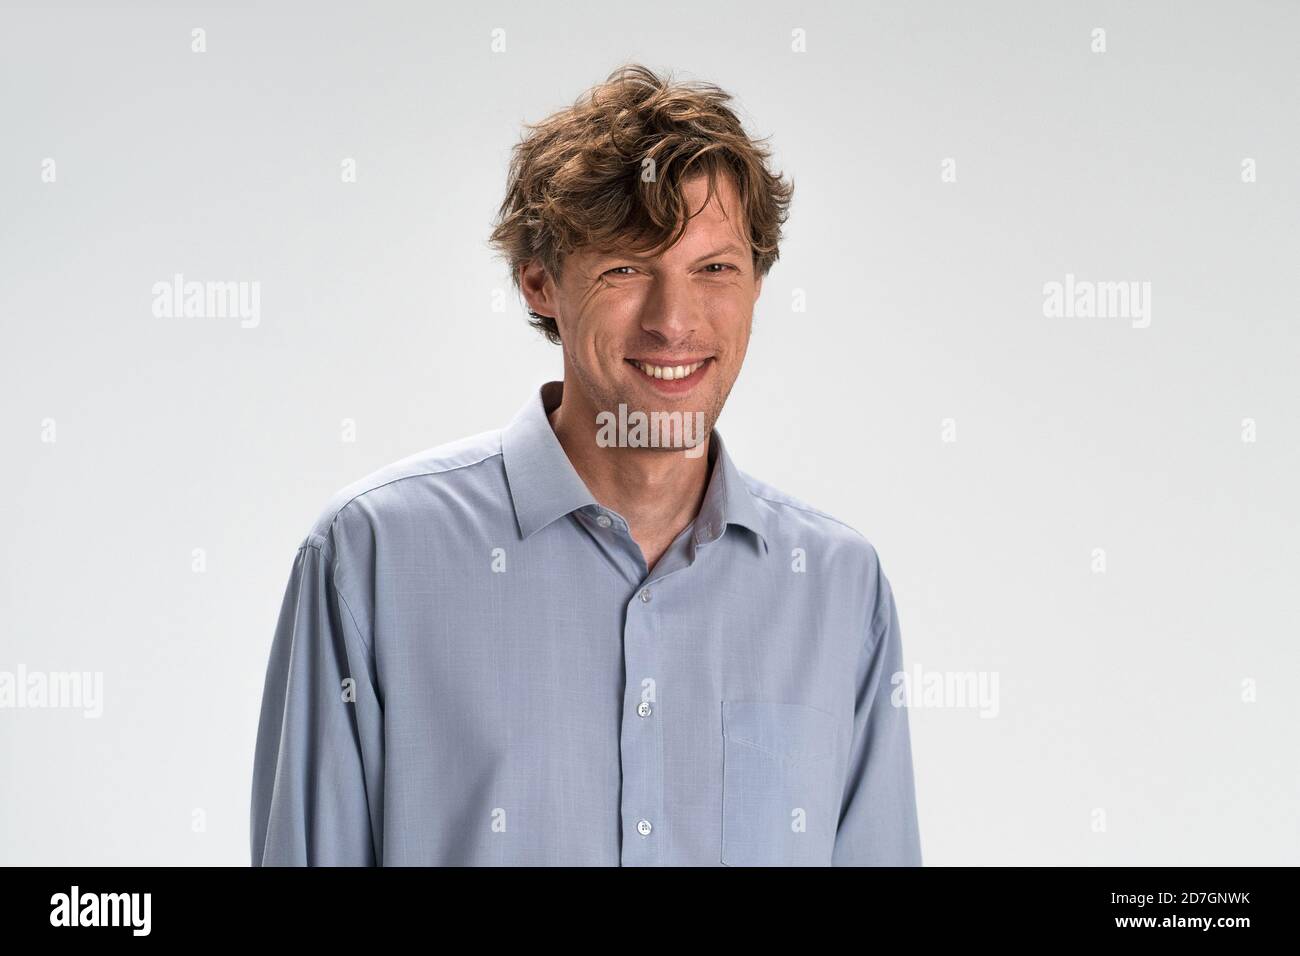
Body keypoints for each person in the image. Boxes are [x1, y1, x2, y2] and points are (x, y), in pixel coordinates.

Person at [250, 63, 921, 866]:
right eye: (627, 269)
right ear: (540, 283)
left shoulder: (838, 586)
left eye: (714, 270)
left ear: (756, 286)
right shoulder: (374, 558)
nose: (675, 322)